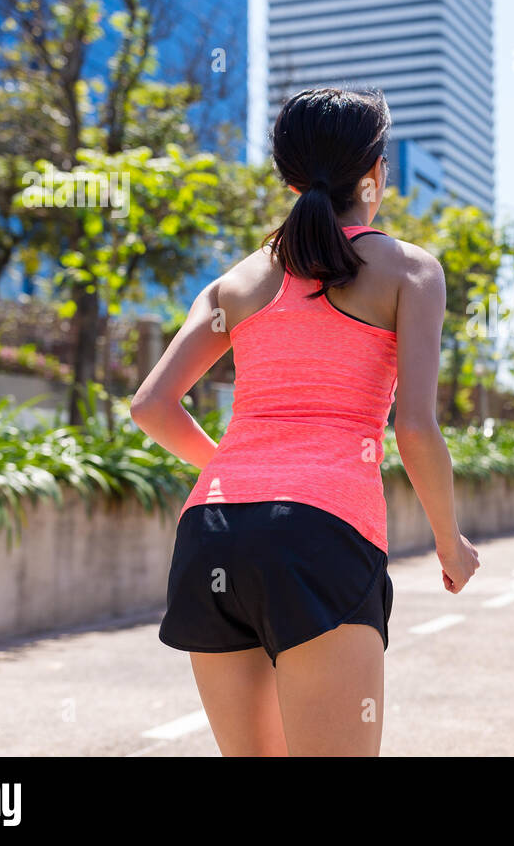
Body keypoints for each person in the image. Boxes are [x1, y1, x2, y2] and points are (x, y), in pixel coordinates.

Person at [130, 86, 480, 756]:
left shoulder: (235, 283)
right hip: (321, 536)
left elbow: (151, 405)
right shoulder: (410, 271)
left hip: (212, 534)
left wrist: (241, 476)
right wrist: (450, 545)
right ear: (376, 174)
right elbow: (414, 428)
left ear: (288, 177)